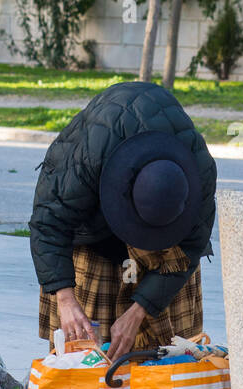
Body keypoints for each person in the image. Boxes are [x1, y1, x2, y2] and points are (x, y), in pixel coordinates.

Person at [29, 81, 217, 362]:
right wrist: (66, 298)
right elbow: (48, 223)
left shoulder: (200, 176)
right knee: (85, 354)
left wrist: (139, 310)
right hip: (94, 234)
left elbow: (190, 247)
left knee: (165, 359)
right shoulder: (87, 157)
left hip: (166, 245)